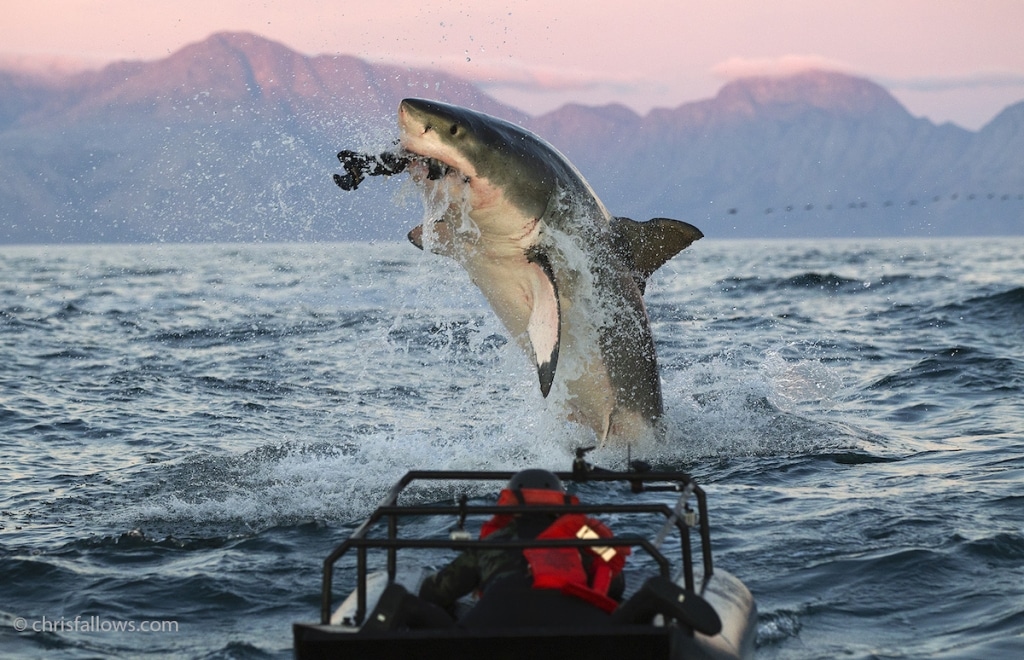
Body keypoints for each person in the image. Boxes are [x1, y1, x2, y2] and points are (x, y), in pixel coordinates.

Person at [416, 468, 629, 628]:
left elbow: (436, 592)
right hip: (570, 624)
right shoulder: (584, 535)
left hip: (497, 624)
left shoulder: (492, 541)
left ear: (511, 503)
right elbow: (615, 581)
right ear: (559, 501)